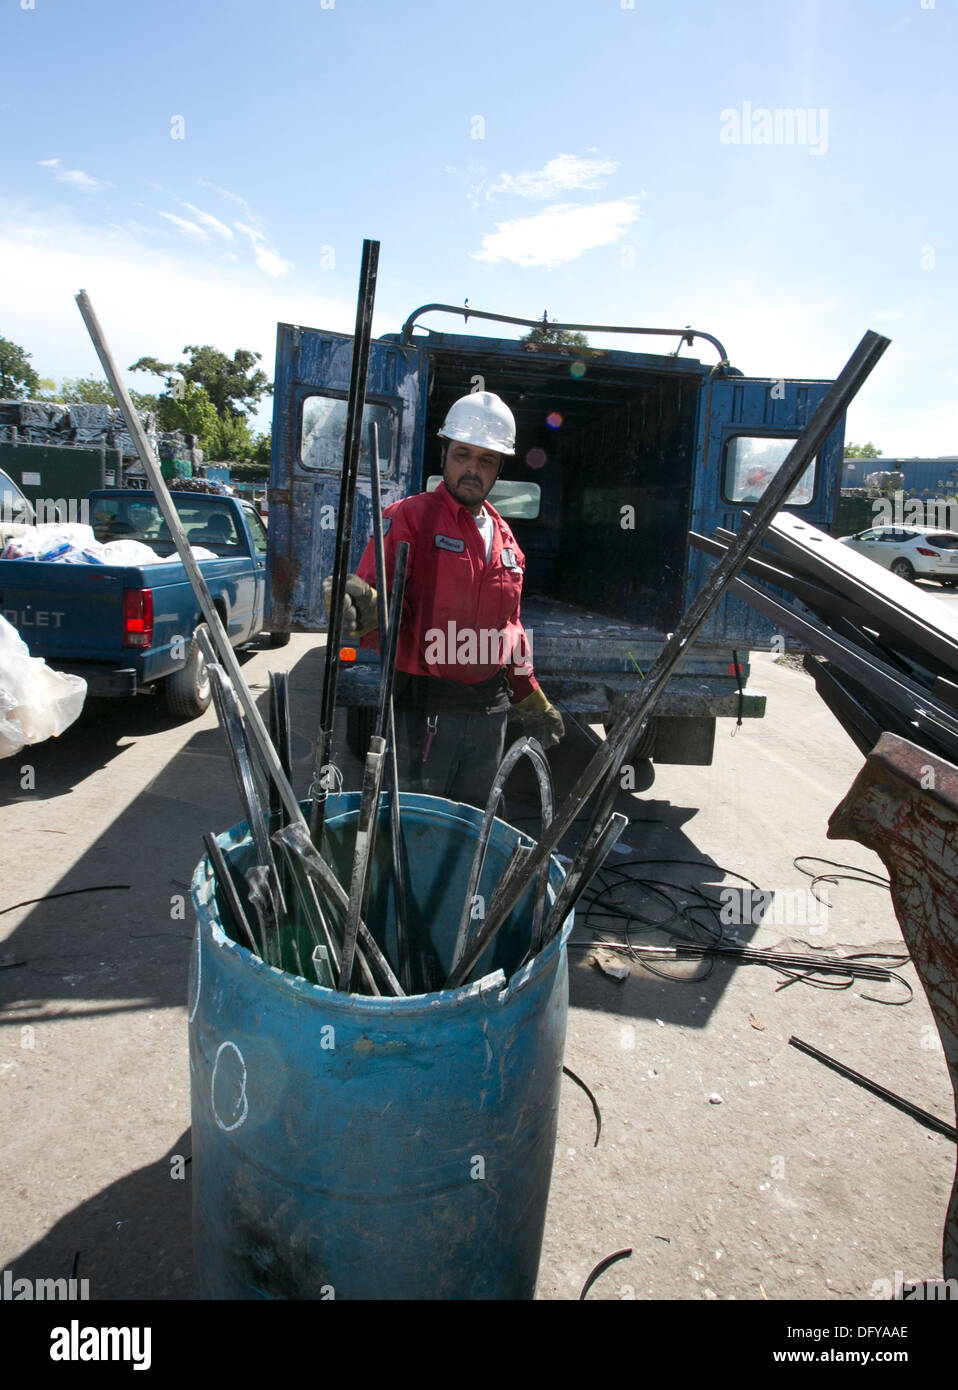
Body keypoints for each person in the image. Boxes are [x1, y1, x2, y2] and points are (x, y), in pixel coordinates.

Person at [323, 390, 564, 807]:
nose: (473, 468)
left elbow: (511, 628)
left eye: (486, 459)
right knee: (415, 823)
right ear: (444, 455)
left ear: (498, 467)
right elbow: (374, 599)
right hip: (422, 712)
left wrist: (530, 695)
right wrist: (360, 608)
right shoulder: (409, 517)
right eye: (462, 454)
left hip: (489, 715)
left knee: (476, 824)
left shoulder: (507, 540)